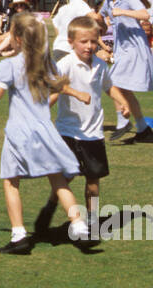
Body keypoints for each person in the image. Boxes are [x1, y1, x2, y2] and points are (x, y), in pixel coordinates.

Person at [0, 14, 92, 254]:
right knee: (58, 180)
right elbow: (54, 89)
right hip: (45, 129)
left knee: (11, 180)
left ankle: (19, 235)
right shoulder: (46, 63)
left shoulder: (9, 65)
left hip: (19, 132)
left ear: (17, 39)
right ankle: (79, 226)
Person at [54, 15, 131, 232]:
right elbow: (53, 87)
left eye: (93, 41)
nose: (89, 46)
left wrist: (122, 102)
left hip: (93, 133)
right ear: (71, 42)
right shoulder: (65, 64)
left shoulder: (100, 65)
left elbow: (109, 87)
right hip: (68, 131)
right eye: (84, 41)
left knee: (94, 181)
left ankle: (91, 218)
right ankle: (54, 207)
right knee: (64, 179)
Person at [99, 0, 153, 141]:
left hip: (134, 48)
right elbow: (100, 16)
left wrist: (123, 13)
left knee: (112, 83)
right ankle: (142, 127)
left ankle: (122, 122)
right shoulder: (109, 2)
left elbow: (145, 14)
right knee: (124, 89)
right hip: (121, 48)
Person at [50, 0, 95, 64]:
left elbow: (55, 25)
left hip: (58, 47)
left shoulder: (63, 8)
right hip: (70, 50)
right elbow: (95, 17)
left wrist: (61, 37)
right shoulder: (80, 4)